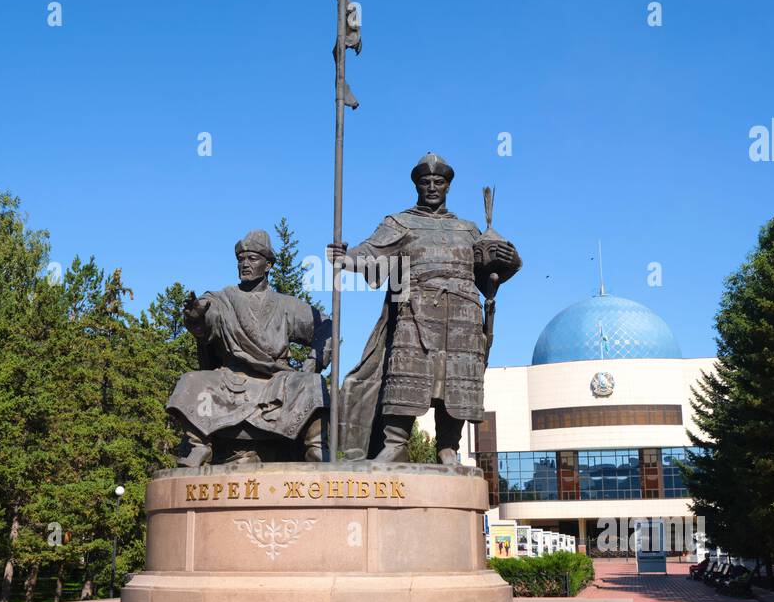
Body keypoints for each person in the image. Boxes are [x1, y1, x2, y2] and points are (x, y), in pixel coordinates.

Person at [329, 153, 520, 463]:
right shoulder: (400, 223)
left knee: (456, 382)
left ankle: (448, 447)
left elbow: (491, 274)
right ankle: (394, 443)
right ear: (417, 185)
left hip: (463, 316)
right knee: (406, 376)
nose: (432, 187)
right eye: (426, 182)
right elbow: (371, 253)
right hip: (416, 312)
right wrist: (345, 257)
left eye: (439, 182)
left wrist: (507, 257)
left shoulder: (468, 229)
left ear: (447, 186)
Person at [167, 229, 330, 465]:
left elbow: (326, 328)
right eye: (241, 259)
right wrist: (196, 318)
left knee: (311, 384)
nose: (245, 264)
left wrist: (313, 362)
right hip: (232, 379)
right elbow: (207, 318)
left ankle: (316, 450)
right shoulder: (223, 299)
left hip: (277, 382)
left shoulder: (286, 305)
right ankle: (199, 446)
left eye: (252, 258)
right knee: (191, 381)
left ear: (268, 265)